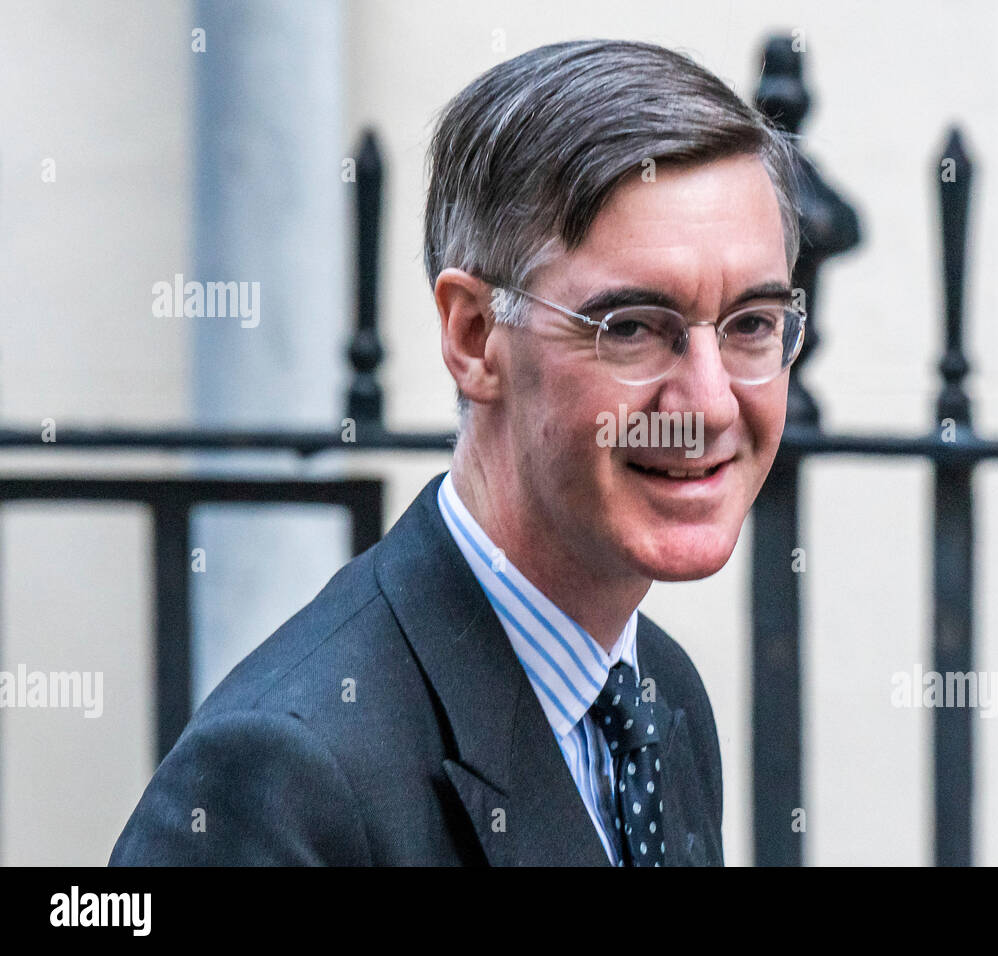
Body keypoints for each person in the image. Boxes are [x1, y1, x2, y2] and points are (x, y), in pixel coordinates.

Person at [110, 37, 804, 866]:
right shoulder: (283, 777)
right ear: (475, 336)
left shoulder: (658, 693)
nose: (711, 402)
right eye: (632, 329)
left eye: (753, 324)